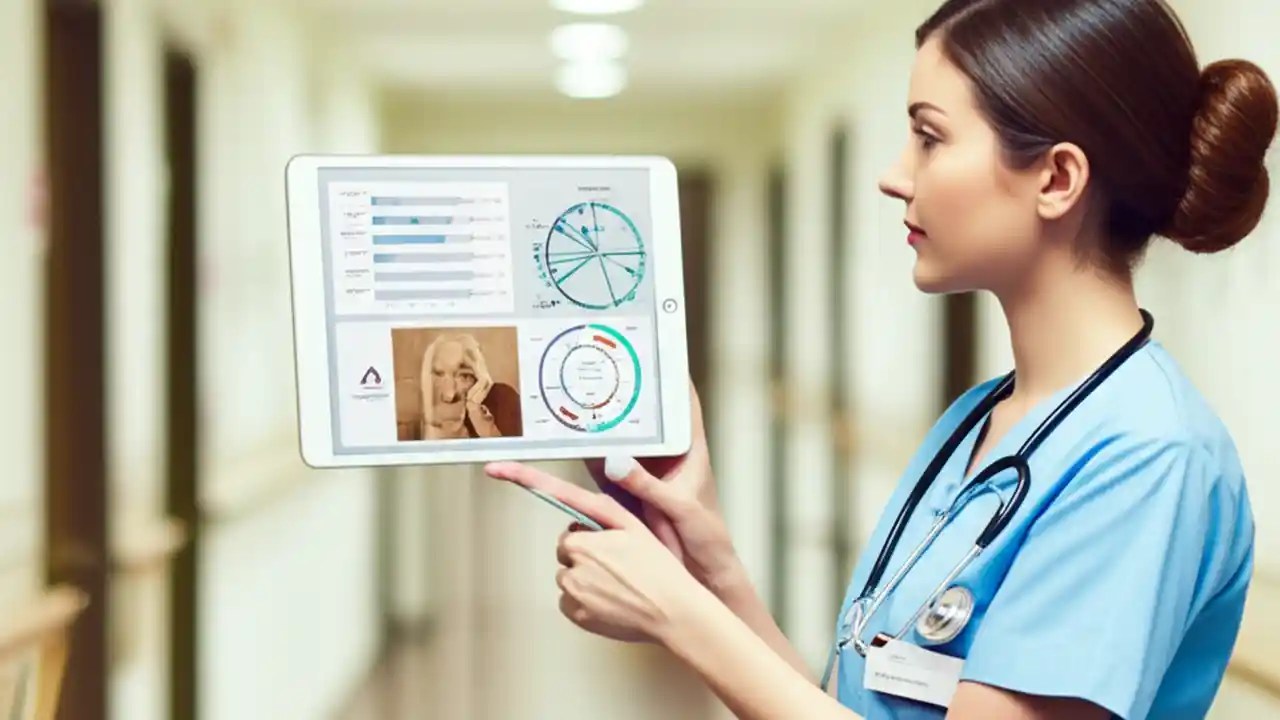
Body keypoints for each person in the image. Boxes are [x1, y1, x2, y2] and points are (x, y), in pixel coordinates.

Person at [484, 0, 1278, 717]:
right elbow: (849, 706)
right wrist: (705, 566)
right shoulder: (979, 421)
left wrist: (678, 617)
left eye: (929, 137)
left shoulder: (1148, 459)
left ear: (1057, 177)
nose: (894, 176)